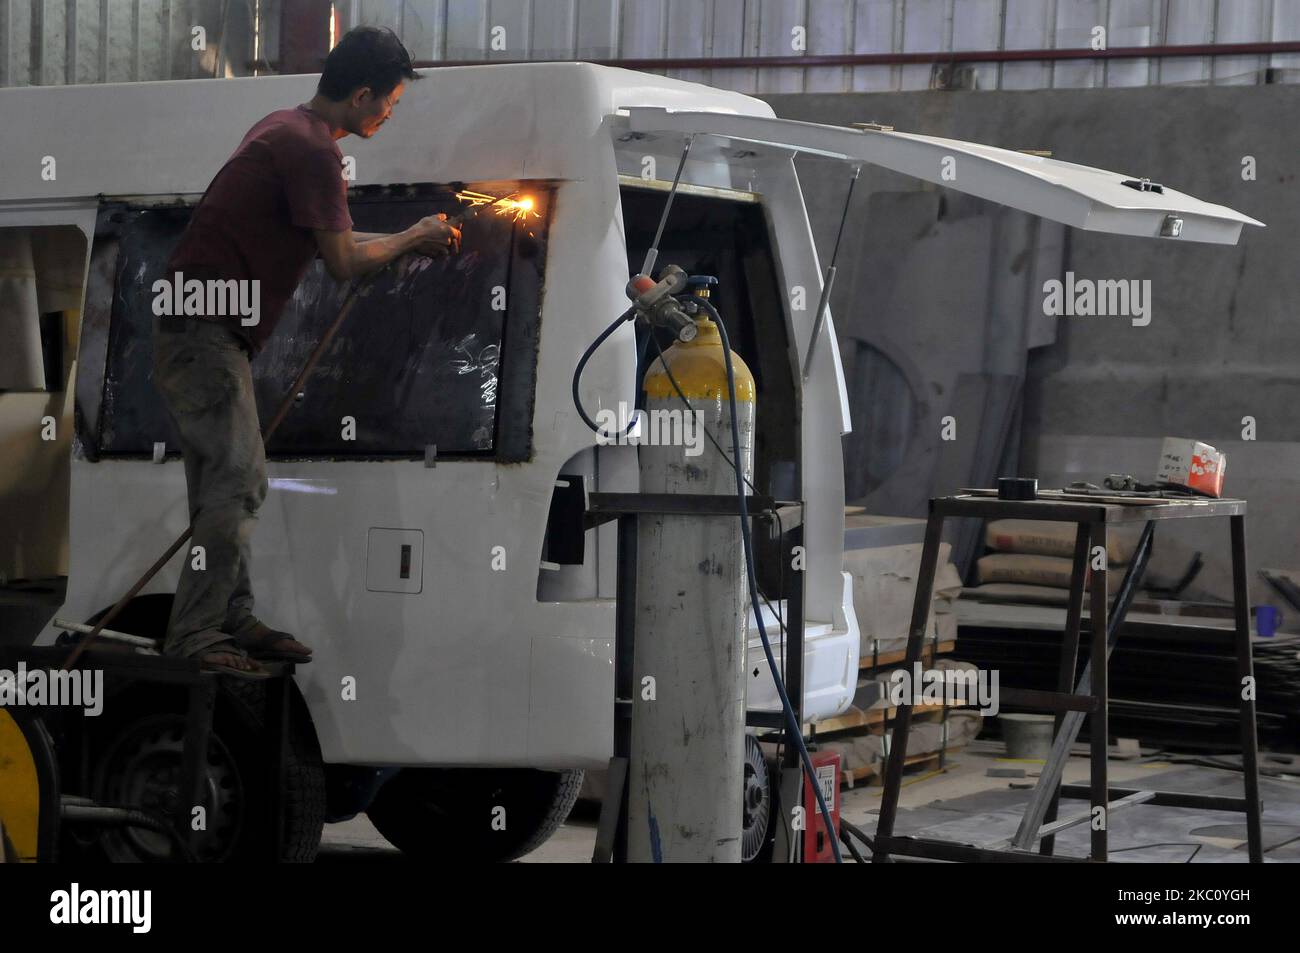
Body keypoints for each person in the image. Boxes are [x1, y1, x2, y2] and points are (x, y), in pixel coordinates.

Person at [153, 26, 460, 677]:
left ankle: (229, 614)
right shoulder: (313, 150)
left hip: (200, 329)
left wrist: (408, 240)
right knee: (239, 480)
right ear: (364, 93)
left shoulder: (286, 128)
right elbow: (344, 260)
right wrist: (411, 237)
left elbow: (335, 239)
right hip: (202, 334)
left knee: (228, 483)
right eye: (391, 102)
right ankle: (198, 630)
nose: (390, 114)